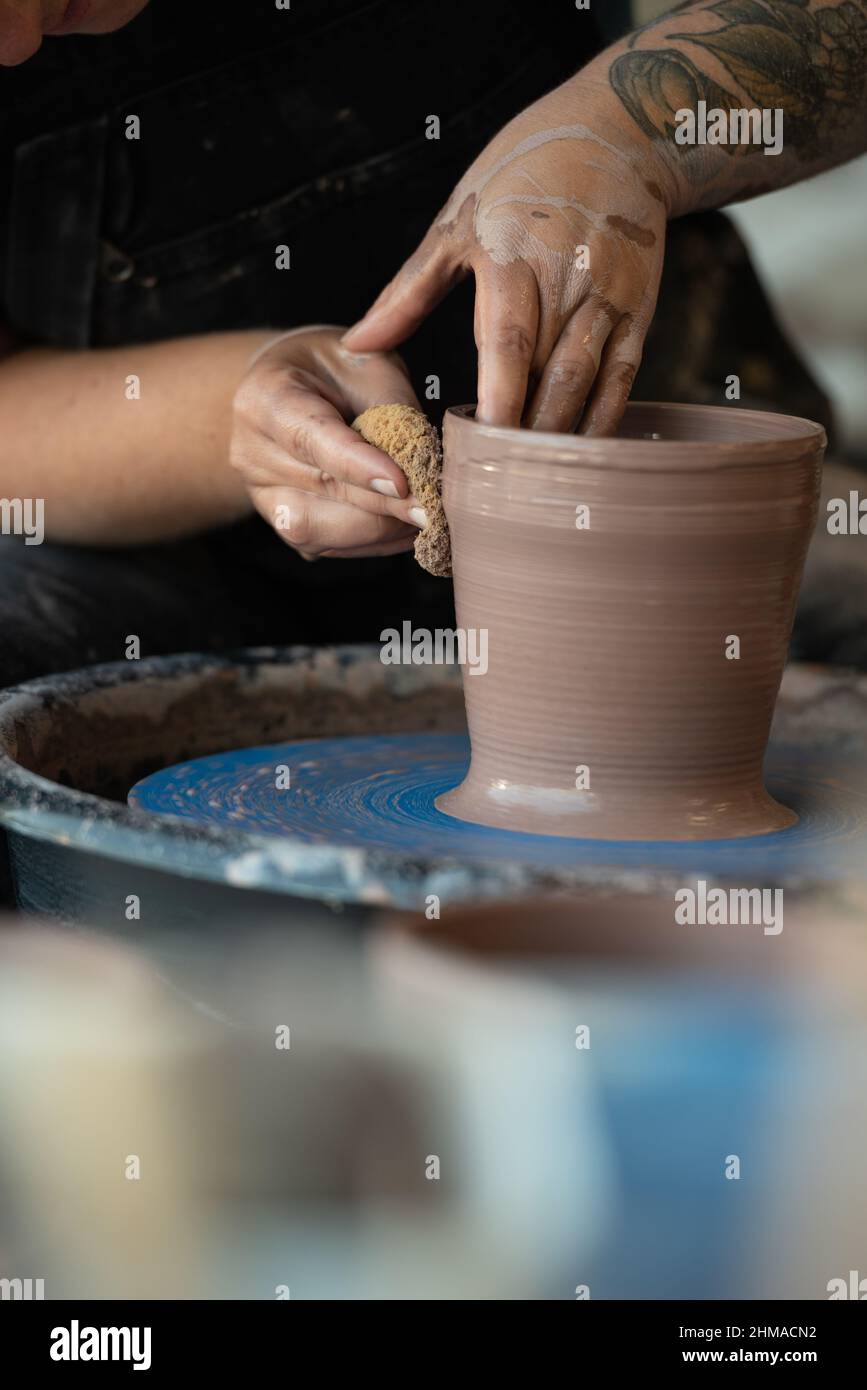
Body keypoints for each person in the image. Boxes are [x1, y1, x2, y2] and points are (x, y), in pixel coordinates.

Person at [0, 0, 863, 690]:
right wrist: (253, 409)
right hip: (163, 536)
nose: (10, 42)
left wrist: (625, 137)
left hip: (642, 474)